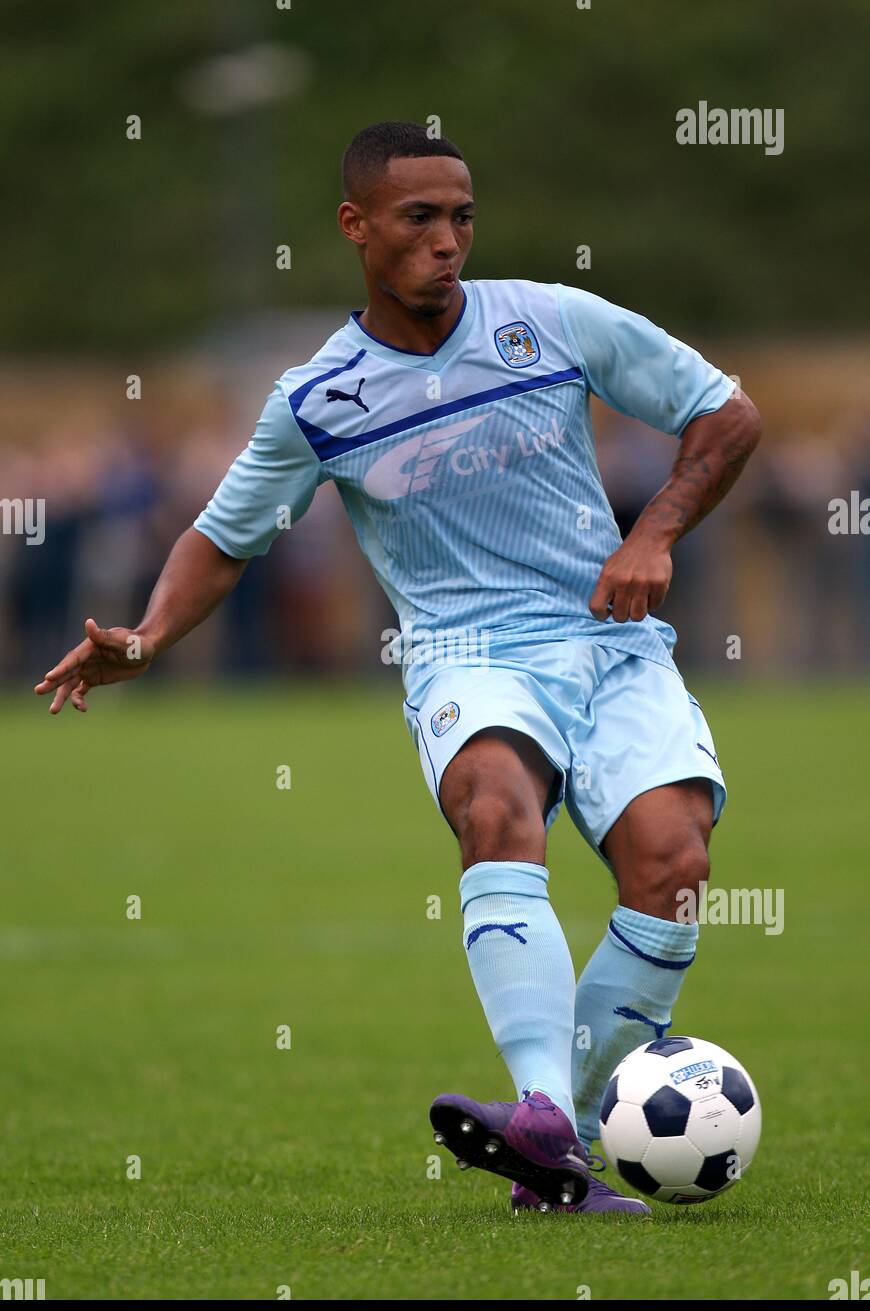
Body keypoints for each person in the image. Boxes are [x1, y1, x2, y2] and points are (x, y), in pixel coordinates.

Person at [35, 121, 762, 1217]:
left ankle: (547, 1140)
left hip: (610, 641)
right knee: (494, 806)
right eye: (419, 217)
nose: (446, 240)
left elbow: (726, 412)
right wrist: (143, 637)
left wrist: (652, 531)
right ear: (356, 225)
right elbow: (221, 539)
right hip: (468, 656)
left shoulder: (553, 320)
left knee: (671, 864)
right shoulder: (317, 400)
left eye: (461, 216)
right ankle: (546, 1114)